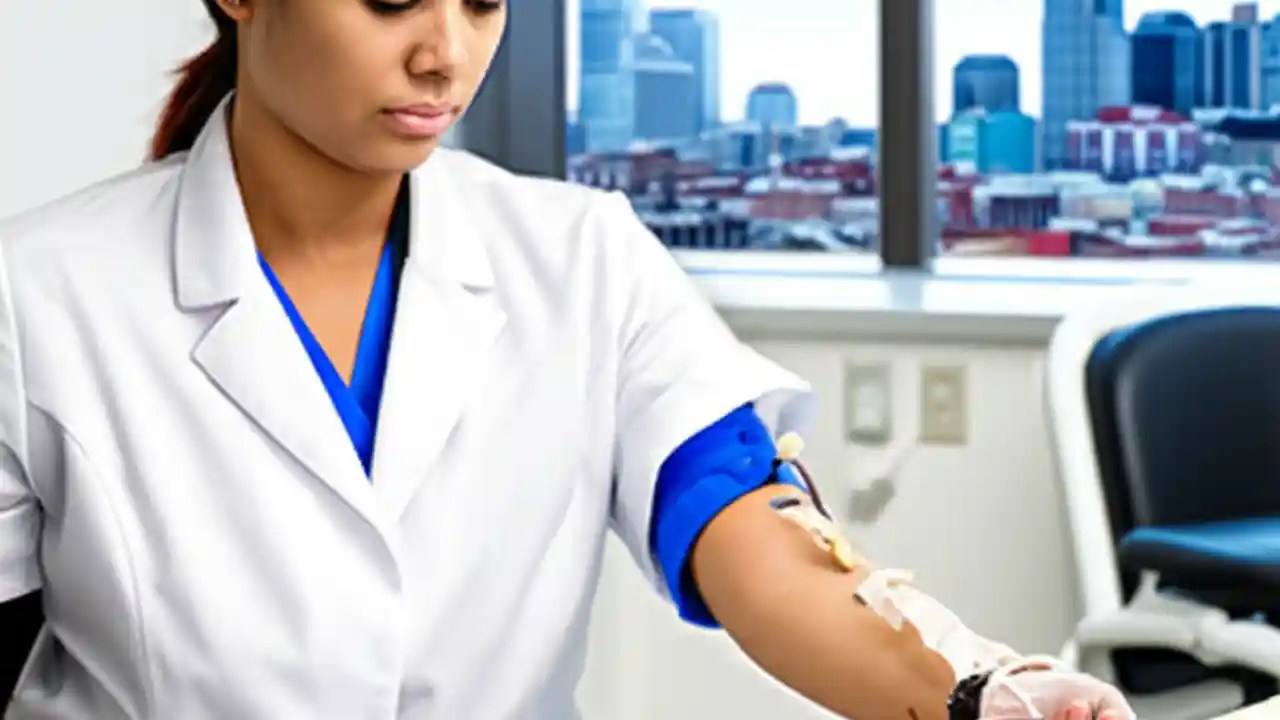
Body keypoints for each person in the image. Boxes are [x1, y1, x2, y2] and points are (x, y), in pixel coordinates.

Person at [0, 1, 1136, 718]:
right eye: (391, 0)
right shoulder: (40, 292)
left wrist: (986, 692)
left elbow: (758, 543)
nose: (445, 53)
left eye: (483, 1)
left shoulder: (580, 257)